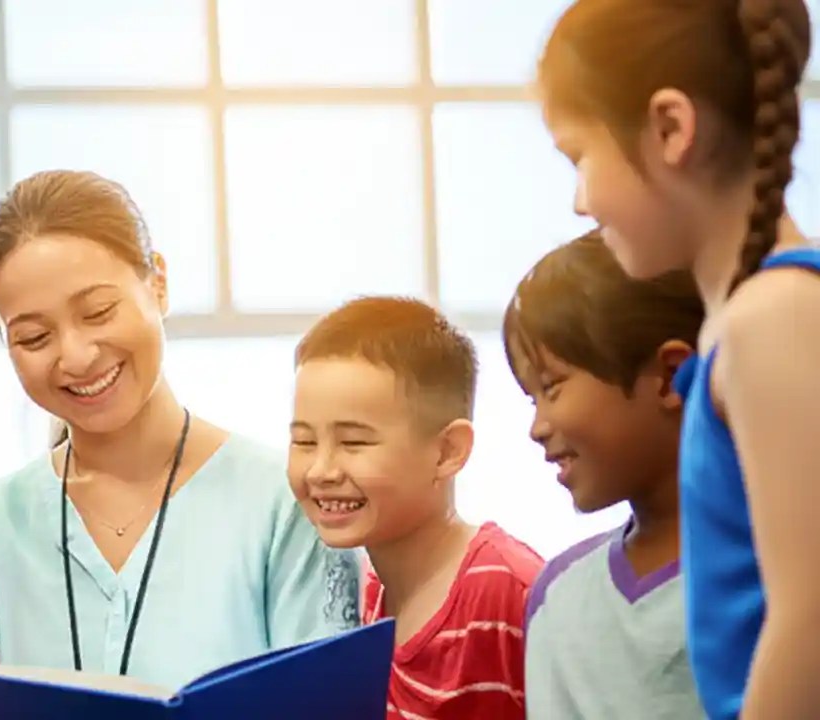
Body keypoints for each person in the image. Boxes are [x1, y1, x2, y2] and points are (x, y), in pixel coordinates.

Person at [0, 169, 359, 688]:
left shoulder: (285, 502)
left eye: (98, 311)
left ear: (157, 282)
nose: (76, 355)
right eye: (34, 336)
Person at [539, 2, 820, 717]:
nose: (578, 202)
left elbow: (809, 617)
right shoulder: (749, 320)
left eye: (579, 157)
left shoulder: (774, 315)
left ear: (669, 128)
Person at [288, 295, 543, 720]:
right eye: (304, 441)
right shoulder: (366, 593)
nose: (321, 469)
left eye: (354, 442)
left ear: (447, 451)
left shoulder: (506, 591)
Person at [505, 231, 704, 717]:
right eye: (532, 399)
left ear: (672, 375)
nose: (537, 427)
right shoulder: (559, 596)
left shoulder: (781, 574)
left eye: (552, 388)